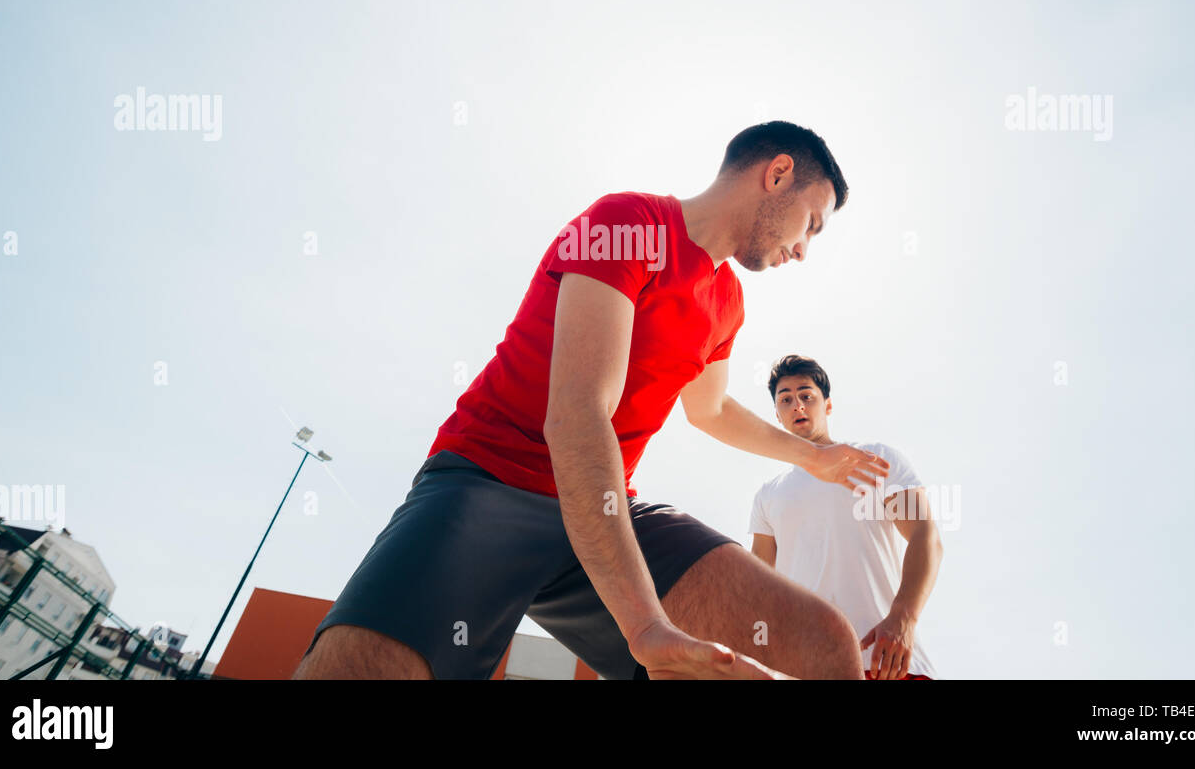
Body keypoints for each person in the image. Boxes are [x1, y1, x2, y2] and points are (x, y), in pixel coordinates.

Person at [292, 121, 889, 680]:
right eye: (812, 223)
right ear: (779, 173)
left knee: (825, 640)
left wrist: (810, 457)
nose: (805, 249)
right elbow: (578, 412)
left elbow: (708, 409)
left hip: (604, 512)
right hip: (490, 479)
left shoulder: (728, 300)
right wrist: (646, 623)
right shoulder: (628, 222)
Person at [749, 355, 942, 679]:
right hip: (805, 669)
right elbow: (757, 587)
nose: (797, 405)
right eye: (786, 399)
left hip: (888, 663)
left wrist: (903, 618)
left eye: (806, 395)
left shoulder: (877, 457)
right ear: (778, 416)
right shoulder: (768, 494)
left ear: (827, 405)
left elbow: (926, 536)